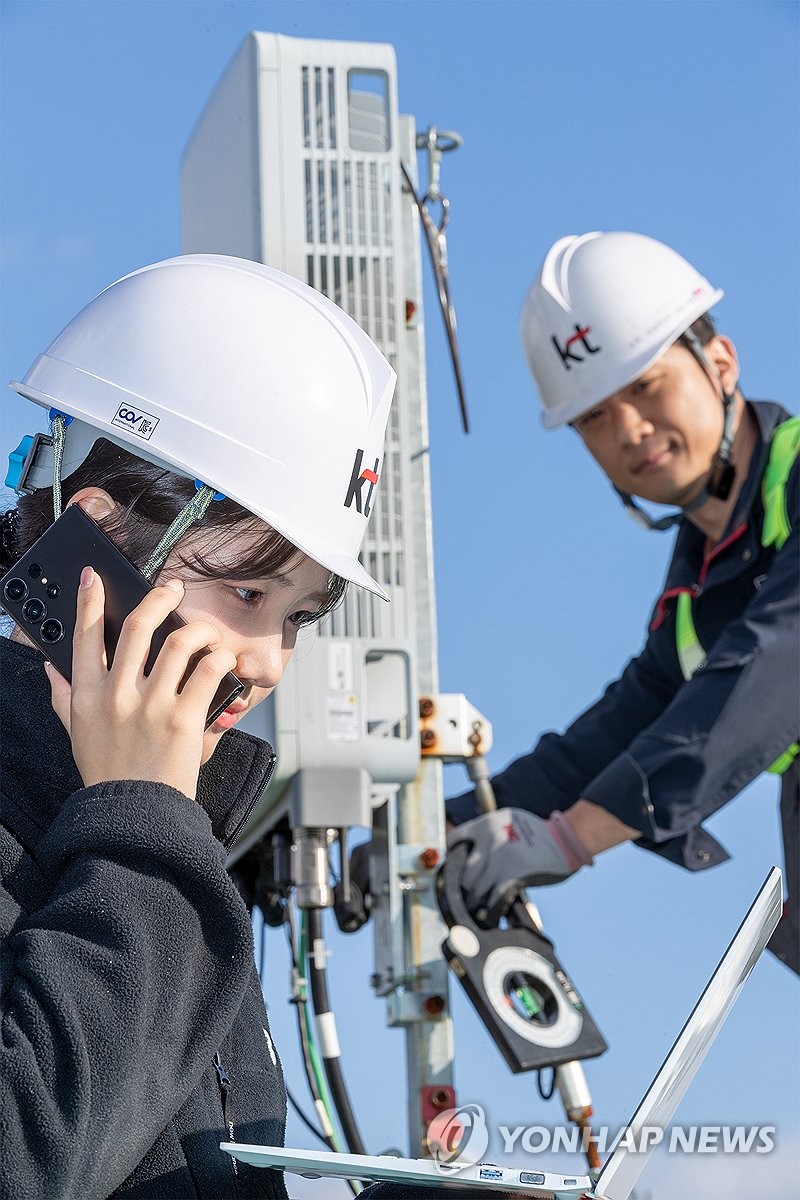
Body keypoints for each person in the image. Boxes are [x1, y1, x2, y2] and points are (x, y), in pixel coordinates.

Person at [0, 253, 396, 1198]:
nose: (269, 660)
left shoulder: (169, 831)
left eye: (299, 616)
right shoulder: (145, 837)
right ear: (94, 542)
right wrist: (139, 820)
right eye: (249, 591)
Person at [447, 231, 799, 975]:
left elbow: (773, 664)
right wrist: (432, 835)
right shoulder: (700, 595)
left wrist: (573, 836)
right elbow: (612, 734)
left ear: (721, 363)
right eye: (595, 417)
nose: (630, 430)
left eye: (646, 385)